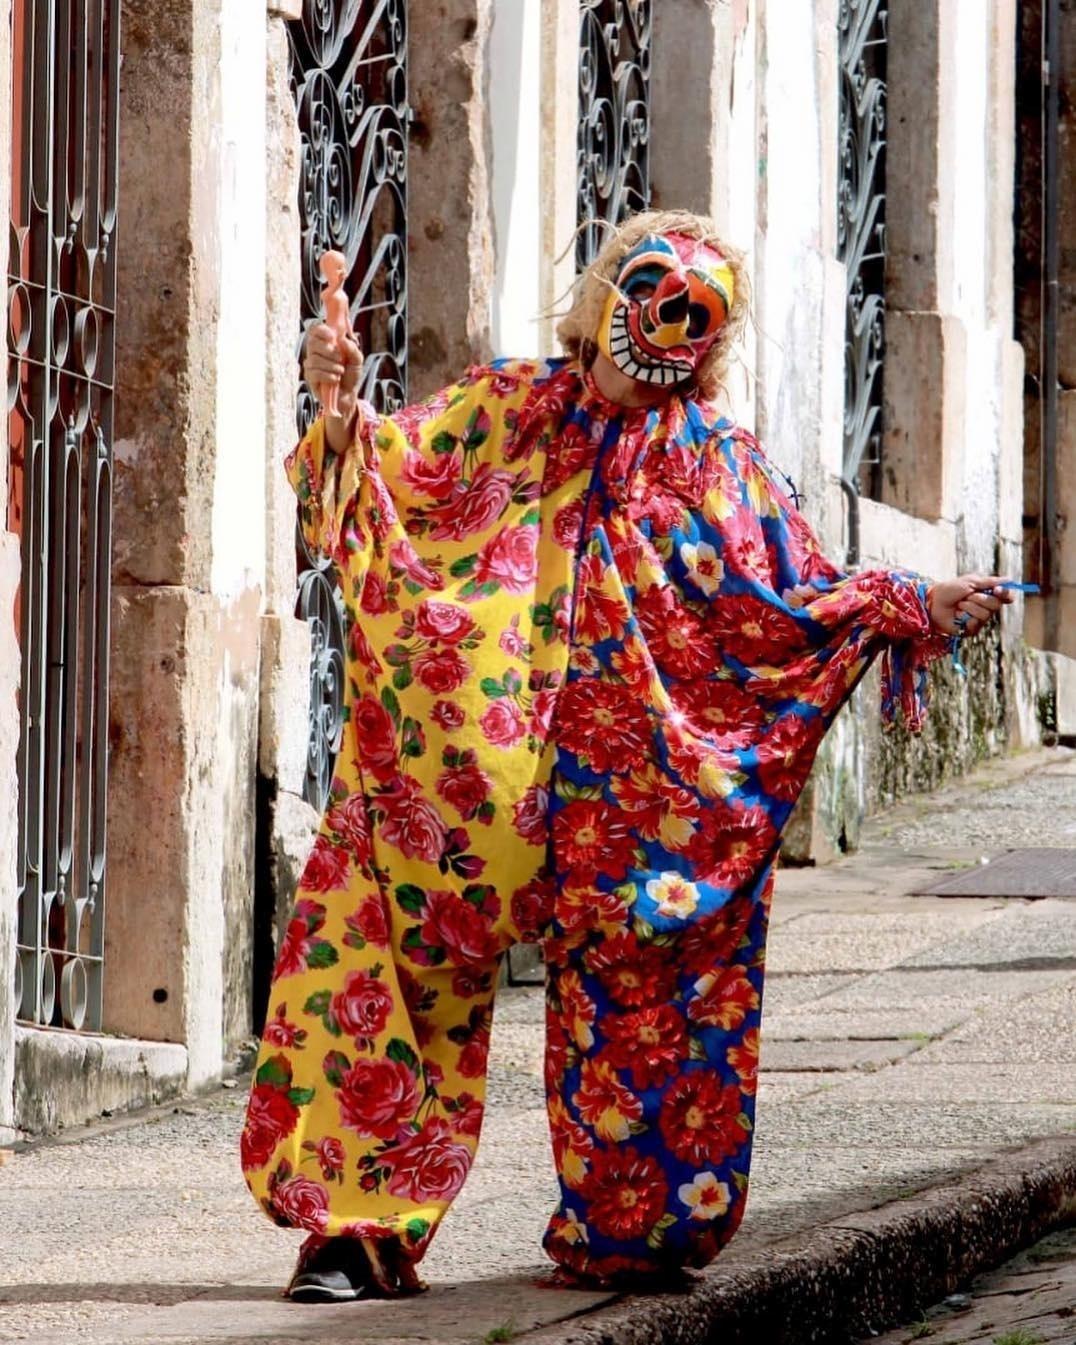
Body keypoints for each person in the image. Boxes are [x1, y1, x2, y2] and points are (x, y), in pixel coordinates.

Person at [241, 209, 1012, 1302]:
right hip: (460, 785)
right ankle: (354, 1230)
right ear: (604, 295)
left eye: (700, 311)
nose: (671, 318)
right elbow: (375, 493)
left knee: (654, 986)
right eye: (653, 287)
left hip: (632, 803)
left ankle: (630, 1229)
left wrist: (909, 602)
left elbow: (786, 599)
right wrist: (336, 408)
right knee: (383, 963)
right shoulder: (502, 407)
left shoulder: (715, 460)